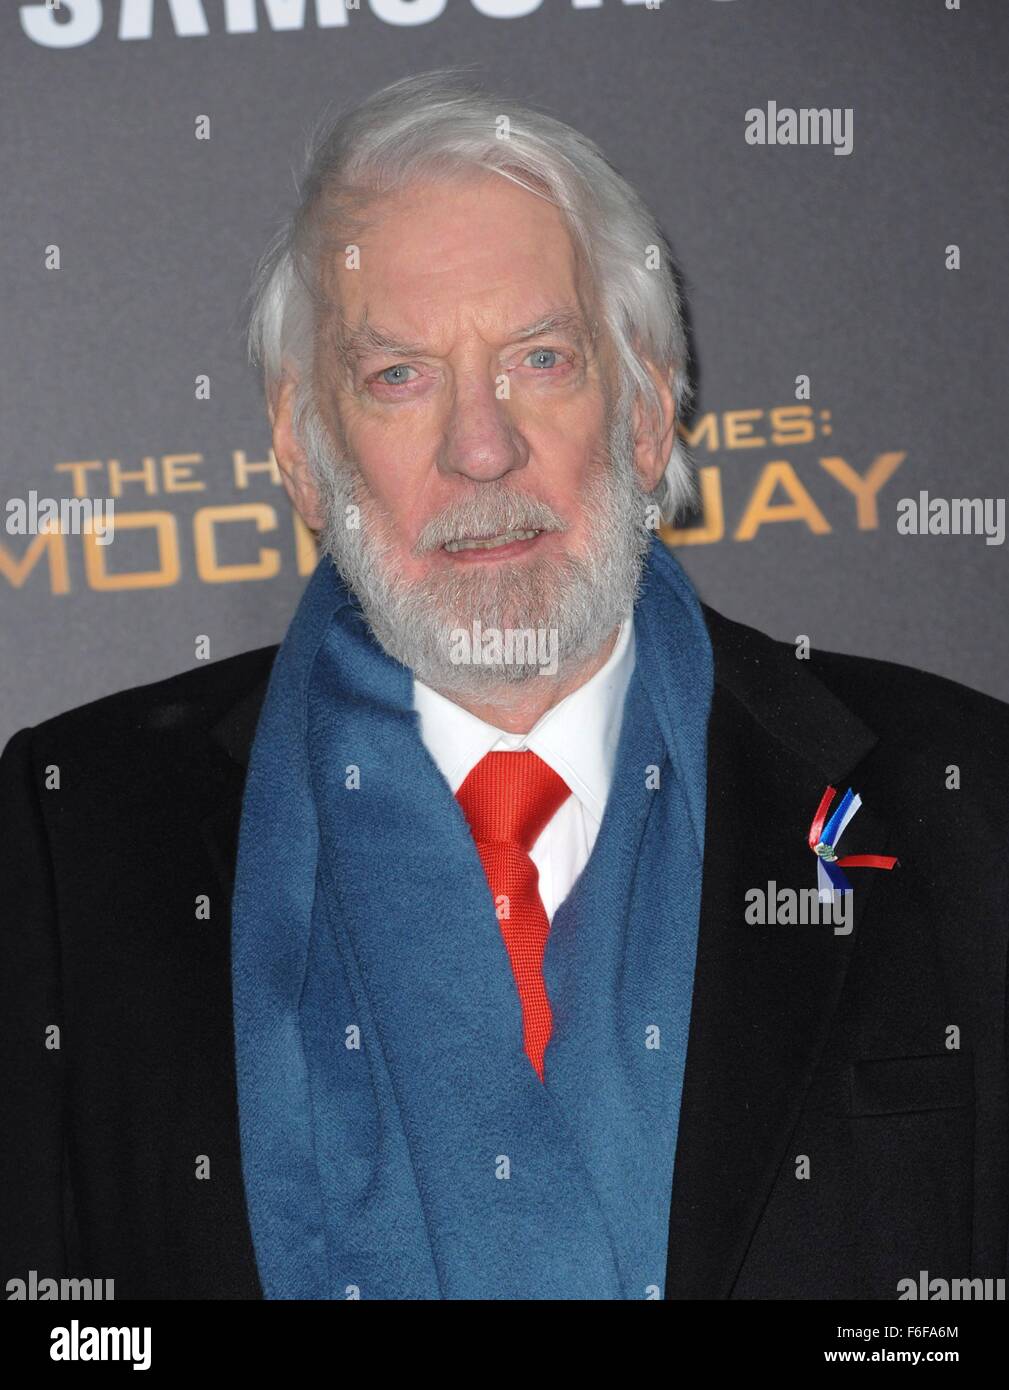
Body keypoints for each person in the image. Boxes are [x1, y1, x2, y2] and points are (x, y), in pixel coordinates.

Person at [2, 70, 1007, 1301]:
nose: (482, 447)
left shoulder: (961, 799)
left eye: (540, 357)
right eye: (399, 376)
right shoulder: (73, 835)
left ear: (645, 411)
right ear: (300, 453)